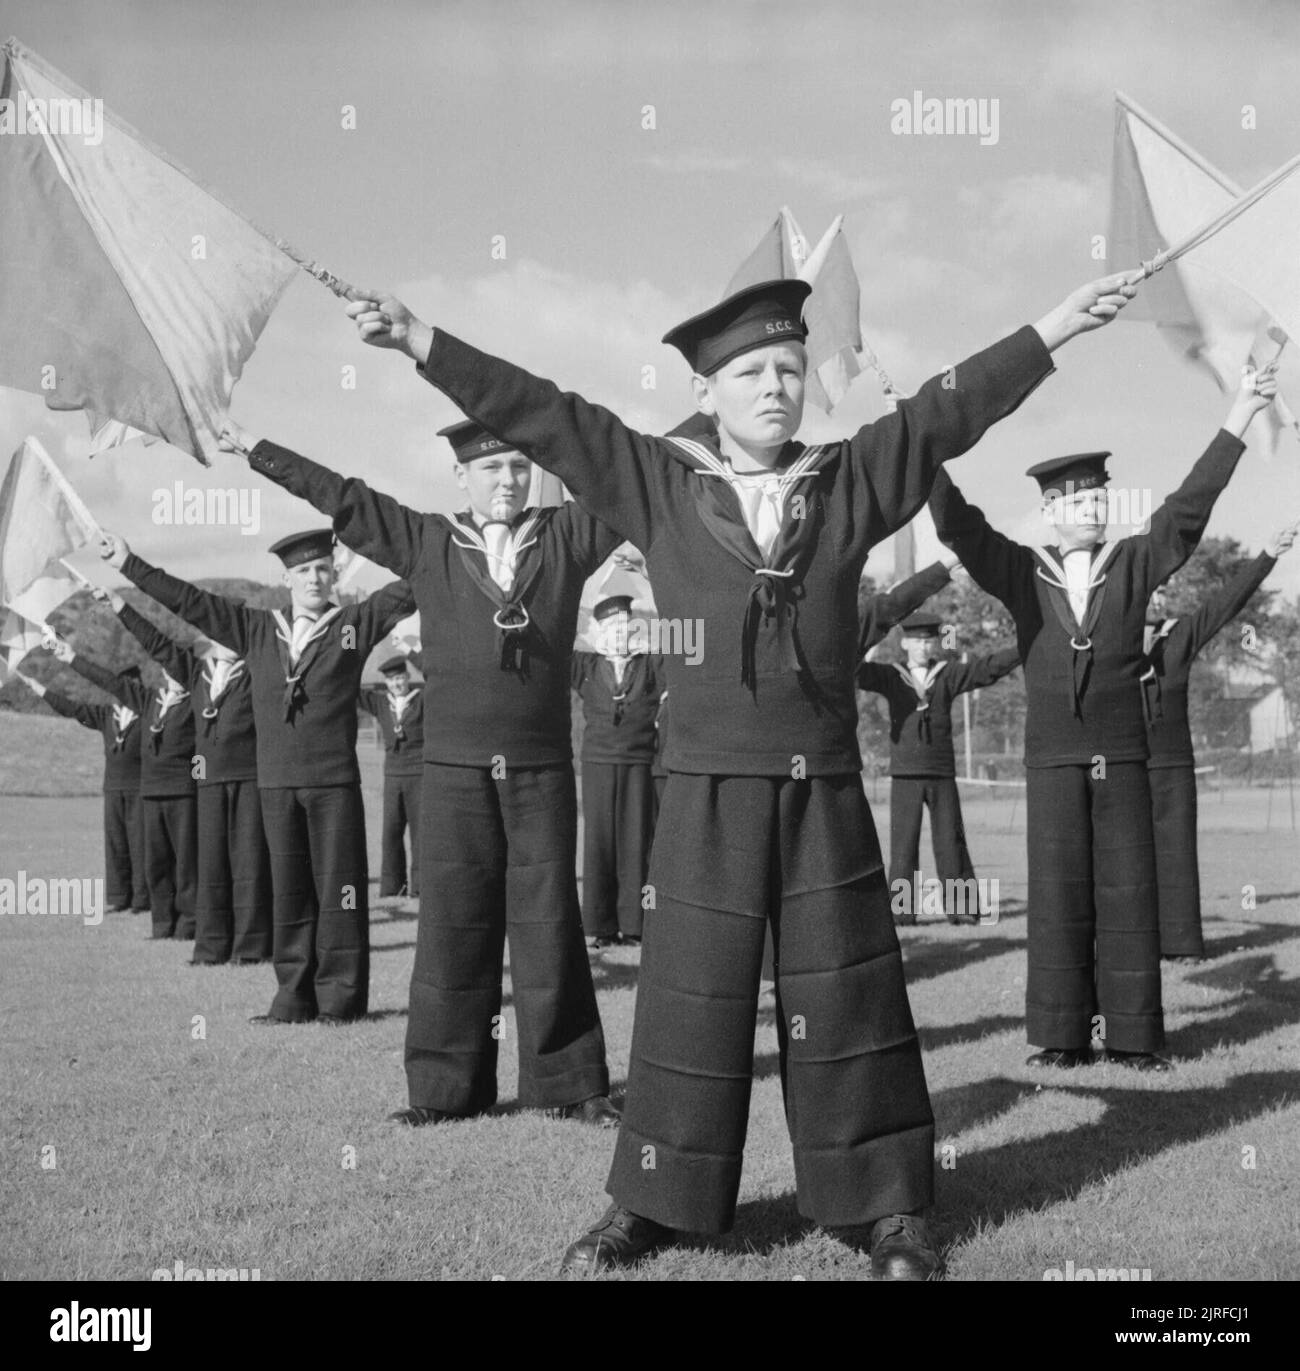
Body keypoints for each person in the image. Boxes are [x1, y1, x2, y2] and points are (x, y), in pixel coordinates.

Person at [342, 266, 1140, 1278]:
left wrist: (1058, 322)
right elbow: (543, 414)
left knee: (848, 994)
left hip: (824, 791)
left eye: (790, 369)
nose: (775, 386)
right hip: (705, 790)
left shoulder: (849, 477)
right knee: (688, 999)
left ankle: (885, 1206)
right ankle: (656, 1204)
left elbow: (949, 409)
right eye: (753, 371)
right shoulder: (659, 483)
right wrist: (422, 339)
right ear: (707, 393)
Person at [214, 415, 621, 1129]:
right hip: (454, 773)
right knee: (452, 927)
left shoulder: (565, 536)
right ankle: (442, 1088)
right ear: (460, 476)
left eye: (519, 469)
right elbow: (344, 499)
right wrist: (257, 449)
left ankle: (568, 1081)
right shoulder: (428, 540)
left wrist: (713, 417)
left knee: (550, 921)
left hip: (541, 771)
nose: (507, 481)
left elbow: (631, 477)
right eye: (491, 470)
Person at [928, 364, 1278, 1073]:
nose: (1090, 504)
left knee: (1128, 890)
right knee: (1059, 895)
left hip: (1122, 756)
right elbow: (961, 527)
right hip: (1053, 757)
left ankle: (1135, 1036)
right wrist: (923, 451)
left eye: (1098, 493)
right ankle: (1060, 1037)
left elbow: (1187, 509)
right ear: (1051, 512)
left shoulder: (1134, 561)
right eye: (1076, 496)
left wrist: (1239, 412)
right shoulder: (1023, 571)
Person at [96, 528, 415, 1024]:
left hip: (333, 786)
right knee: (288, 892)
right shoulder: (257, 630)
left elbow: (413, 582)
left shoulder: (353, 624)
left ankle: (341, 998)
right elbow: (191, 602)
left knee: (340, 894)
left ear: (334, 574)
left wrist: (424, 541)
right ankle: (292, 997)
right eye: (303, 571)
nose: (314, 578)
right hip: (275, 786)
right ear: (285, 578)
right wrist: (128, 562)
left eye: (322, 569)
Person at [92, 586, 271, 965]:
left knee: (249, 864)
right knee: (210, 867)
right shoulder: (197, 674)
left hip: (249, 780)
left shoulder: (259, 669)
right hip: (208, 785)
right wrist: (122, 606)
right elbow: (158, 644)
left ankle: (251, 948)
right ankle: (210, 946)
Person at [1142, 523, 1296, 960]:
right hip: (1119, 763)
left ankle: (1182, 943)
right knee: (1125, 860)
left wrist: (1267, 554)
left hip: (1172, 764)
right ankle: (1129, 944)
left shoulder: (1181, 634)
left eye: (1162, 589)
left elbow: (1227, 603)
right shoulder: (1107, 641)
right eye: (1150, 589)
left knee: (1176, 856)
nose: (1158, 596)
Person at [858, 612, 1019, 925]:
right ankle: (901, 913)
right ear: (904, 643)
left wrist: (1023, 648)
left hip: (941, 771)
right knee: (903, 847)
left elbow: (985, 670)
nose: (922, 647)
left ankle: (962, 910)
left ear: (934, 643)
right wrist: (868, 643)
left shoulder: (947, 674)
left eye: (928, 641)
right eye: (916, 641)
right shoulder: (891, 676)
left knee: (950, 841)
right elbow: (856, 672)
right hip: (905, 773)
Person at [50, 631, 197, 941]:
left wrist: (199, 777)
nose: (171, 672)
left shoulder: (196, 703)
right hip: (151, 792)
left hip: (184, 793)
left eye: (178, 666)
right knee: (155, 862)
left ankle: (188, 924)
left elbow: (208, 750)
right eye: (167, 667)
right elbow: (112, 683)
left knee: (185, 864)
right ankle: (161, 924)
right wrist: (71, 657)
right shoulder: (150, 700)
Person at [572, 580, 665, 948]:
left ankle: (636, 926)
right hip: (597, 763)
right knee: (599, 845)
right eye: (611, 628)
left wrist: (645, 577)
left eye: (627, 626)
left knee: (636, 843)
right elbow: (558, 633)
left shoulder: (653, 664)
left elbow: (692, 640)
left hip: (640, 763)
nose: (620, 634)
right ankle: (601, 926)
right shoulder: (586, 666)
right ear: (599, 633)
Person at [13, 662, 147, 914]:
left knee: (139, 843)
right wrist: (40, 689)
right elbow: (72, 709)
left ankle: (141, 899)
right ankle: (120, 897)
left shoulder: (147, 715)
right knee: (116, 842)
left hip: (138, 788)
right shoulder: (107, 715)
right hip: (113, 788)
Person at [359, 654, 425, 899]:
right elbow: (352, 689)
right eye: (391, 680)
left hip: (419, 773)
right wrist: (353, 650)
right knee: (391, 831)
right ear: (385, 683)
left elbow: (434, 679)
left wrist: (414, 654)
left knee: (420, 832)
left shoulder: (421, 700)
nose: (396, 684)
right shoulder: (379, 703)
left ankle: (419, 886)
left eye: (400, 678)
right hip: (392, 776)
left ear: (408, 678)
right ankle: (393, 886)